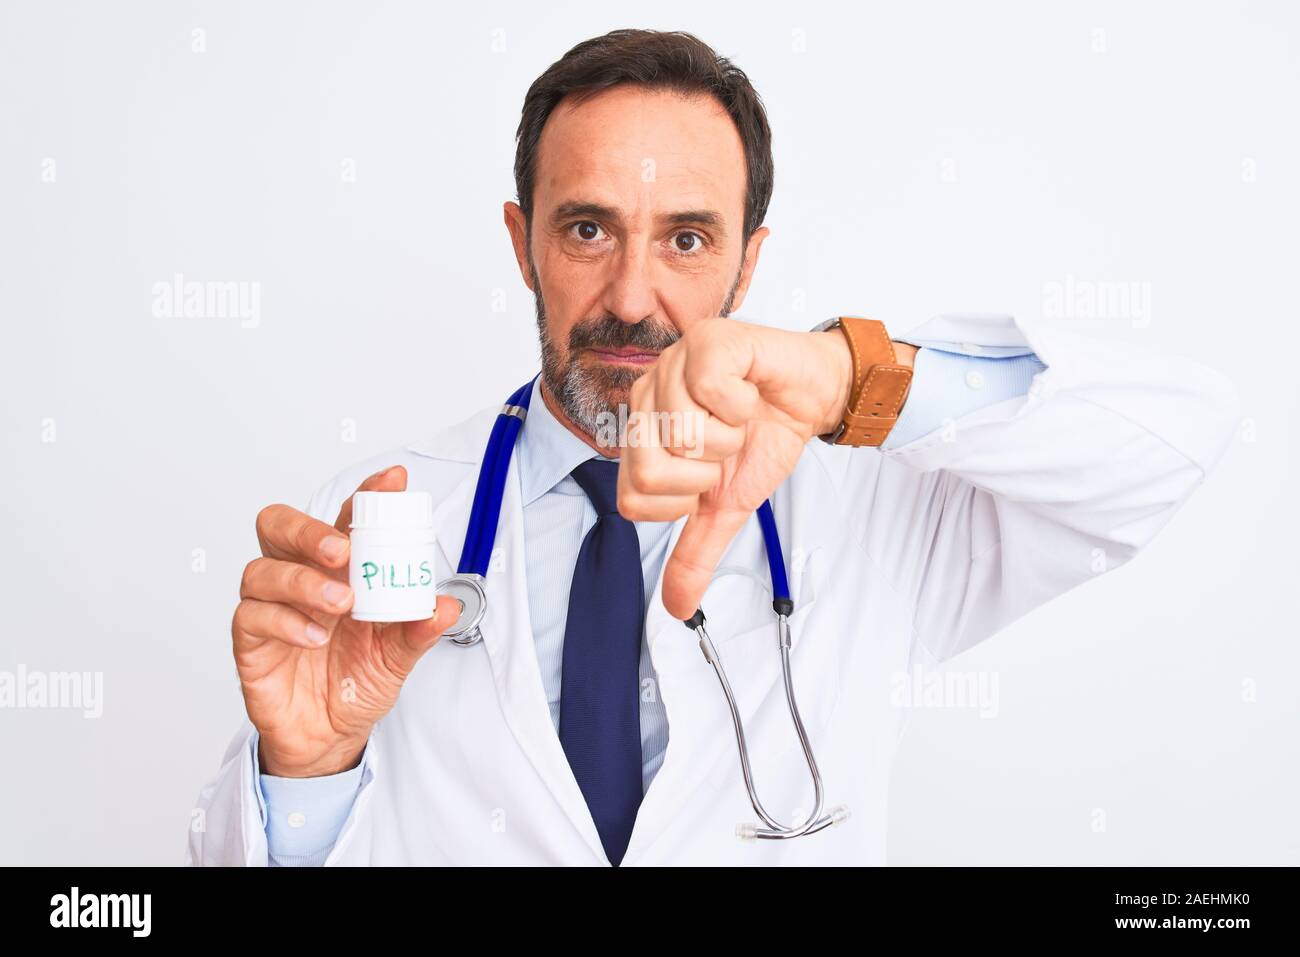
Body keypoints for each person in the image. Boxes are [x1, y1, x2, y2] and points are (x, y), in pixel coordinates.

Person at [187, 29, 1239, 866]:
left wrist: (849, 377)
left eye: (686, 239)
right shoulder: (378, 517)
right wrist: (305, 770)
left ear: (749, 264)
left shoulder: (877, 507)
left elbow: (1175, 441)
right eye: (587, 230)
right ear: (523, 245)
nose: (633, 299)